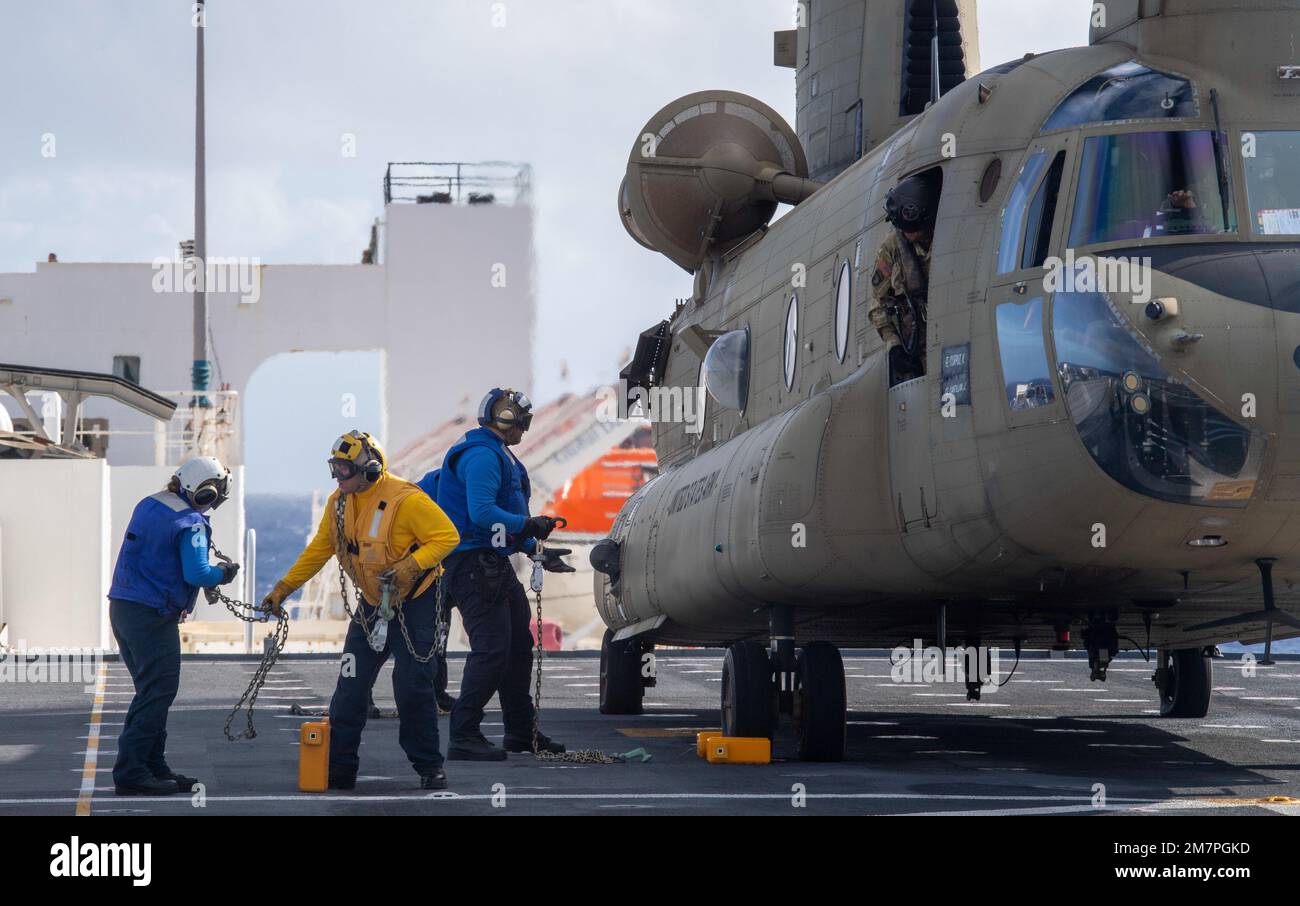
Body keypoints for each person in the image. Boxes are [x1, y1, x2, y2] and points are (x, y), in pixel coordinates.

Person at [262, 431, 459, 790]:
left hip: (417, 603)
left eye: (344, 469)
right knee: (350, 688)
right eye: (334, 468)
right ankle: (339, 769)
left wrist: (410, 566)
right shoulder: (339, 502)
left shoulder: (406, 501)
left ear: (369, 468)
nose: (338, 477)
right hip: (372, 605)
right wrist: (283, 589)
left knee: (412, 685)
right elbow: (320, 548)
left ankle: (429, 766)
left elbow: (447, 537)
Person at [432, 388, 574, 761]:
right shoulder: (483, 457)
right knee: (493, 649)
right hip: (473, 566)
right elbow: (481, 513)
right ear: (508, 419)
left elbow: (497, 528)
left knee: (515, 648)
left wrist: (536, 549)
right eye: (522, 423)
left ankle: (520, 732)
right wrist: (530, 523)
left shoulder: (494, 454)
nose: (525, 431)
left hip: (490, 564)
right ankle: (463, 734)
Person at [107, 456, 240, 796]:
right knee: (158, 693)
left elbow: (155, 557)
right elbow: (197, 573)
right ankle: (132, 771)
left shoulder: (150, 504)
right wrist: (223, 574)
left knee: (151, 692)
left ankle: (153, 766)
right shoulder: (191, 522)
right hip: (151, 618)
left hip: (123, 610)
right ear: (208, 493)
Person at [869, 171, 939, 386]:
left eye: (911, 230)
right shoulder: (893, 247)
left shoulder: (945, 233)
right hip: (922, 349)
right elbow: (878, 306)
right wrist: (894, 346)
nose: (906, 234)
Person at [414, 468, 458, 715]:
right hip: (428, 569)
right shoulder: (429, 490)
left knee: (441, 634)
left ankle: (437, 692)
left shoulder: (453, 481)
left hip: (447, 566)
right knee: (423, 637)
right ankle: (362, 695)